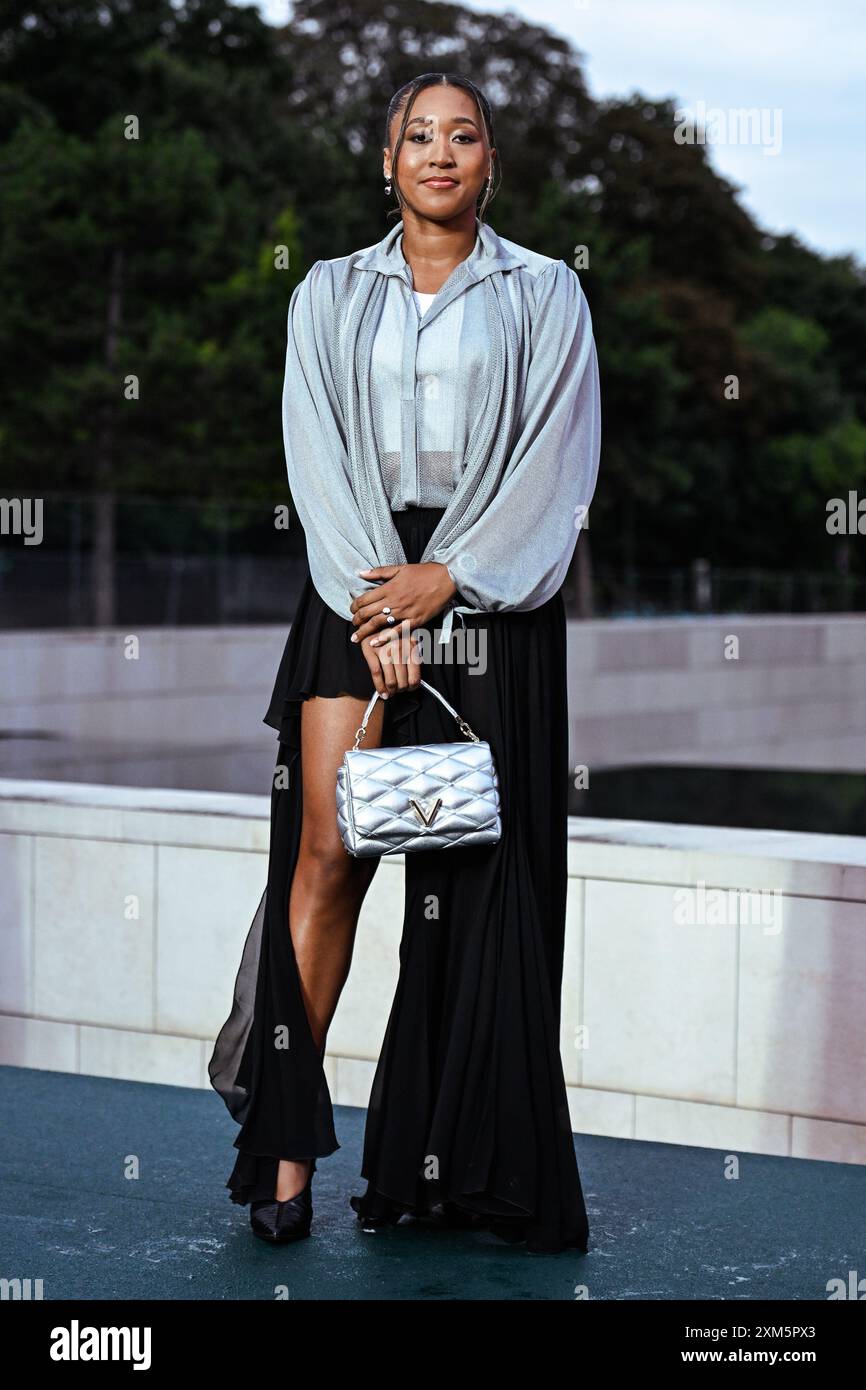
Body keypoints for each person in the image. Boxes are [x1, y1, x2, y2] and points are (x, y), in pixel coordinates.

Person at [208, 70, 601, 1255]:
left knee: (475, 874)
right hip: (356, 584)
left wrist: (455, 576)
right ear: (386, 160)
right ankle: (285, 1142)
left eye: (463, 135)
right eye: (417, 135)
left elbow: (556, 457)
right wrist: (383, 598)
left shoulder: (546, 291)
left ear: (491, 161)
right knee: (330, 848)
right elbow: (314, 452)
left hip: (491, 589)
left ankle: (461, 1173)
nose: (439, 153)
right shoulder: (326, 293)